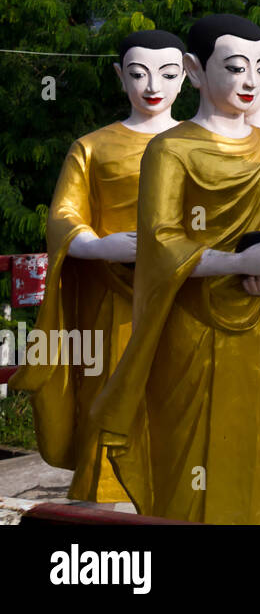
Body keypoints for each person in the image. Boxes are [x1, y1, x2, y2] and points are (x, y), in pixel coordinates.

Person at [91, 14, 260, 523]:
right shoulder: (170, 150)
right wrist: (237, 261)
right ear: (195, 70)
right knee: (185, 454)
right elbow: (160, 241)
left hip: (255, 321)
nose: (250, 81)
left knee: (243, 444)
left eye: (259, 68)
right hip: (186, 323)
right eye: (235, 67)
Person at [13, 30, 186, 504]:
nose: (153, 85)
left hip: (187, 292)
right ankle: (101, 503)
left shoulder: (203, 142)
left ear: (186, 76)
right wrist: (97, 246)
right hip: (113, 297)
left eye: (168, 74)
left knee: (182, 398)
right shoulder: (92, 146)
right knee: (110, 393)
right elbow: (63, 217)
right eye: (138, 73)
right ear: (119, 77)